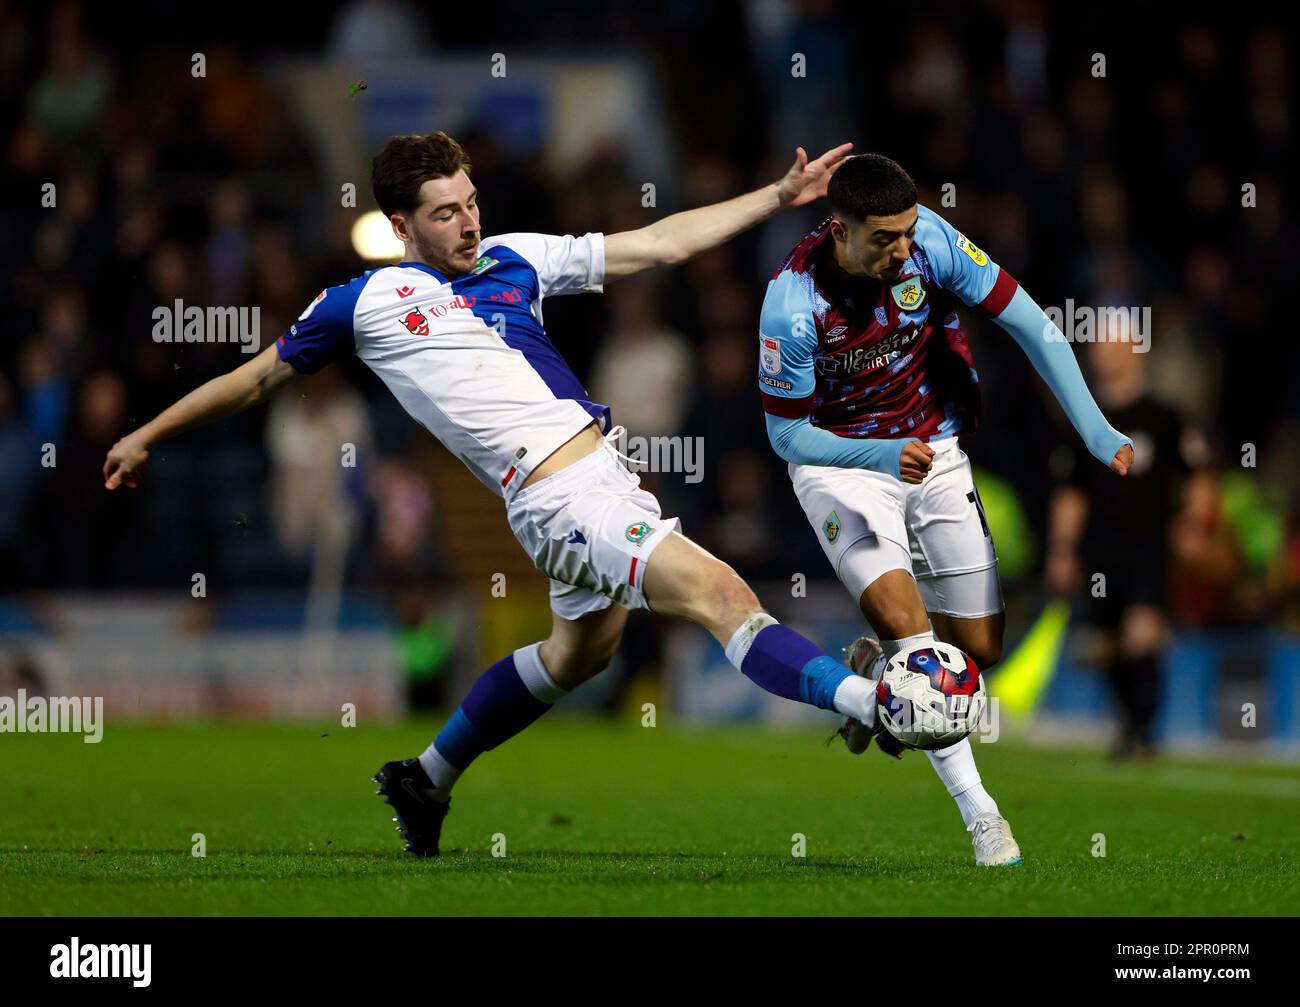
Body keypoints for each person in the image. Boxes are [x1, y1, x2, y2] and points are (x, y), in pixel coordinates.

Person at [103, 131, 970, 861]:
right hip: (560, 501)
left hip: (603, 478)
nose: (469, 220)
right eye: (446, 212)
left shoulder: (517, 256)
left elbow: (657, 243)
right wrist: (147, 433)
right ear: (401, 224)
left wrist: (776, 194)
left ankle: (424, 779)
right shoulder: (363, 303)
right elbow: (252, 380)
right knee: (723, 596)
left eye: (471, 199)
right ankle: (878, 703)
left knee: (574, 658)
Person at [756, 154, 1136, 864]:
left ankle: (876, 683)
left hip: (933, 448)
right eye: (885, 238)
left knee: (978, 652)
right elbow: (785, 433)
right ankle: (985, 819)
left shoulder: (931, 240)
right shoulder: (791, 303)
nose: (904, 248)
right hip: (842, 465)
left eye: (907, 231)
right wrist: (877, 454)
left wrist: (1093, 426)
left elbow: (1032, 323)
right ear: (840, 229)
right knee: (915, 636)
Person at [1046, 334, 1197, 758]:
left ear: (1138, 349)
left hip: (1150, 544)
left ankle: (1145, 728)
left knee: (1143, 633)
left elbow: (1196, 476)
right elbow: (1071, 492)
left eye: (1116, 344)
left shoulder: (1164, 417)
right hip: (1100, 549)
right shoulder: (1085, 418)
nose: (1105, 352)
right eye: (1100, 345)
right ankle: (1129, 723)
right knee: (1107, 640)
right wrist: (1063, 551)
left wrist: (1193, 527)